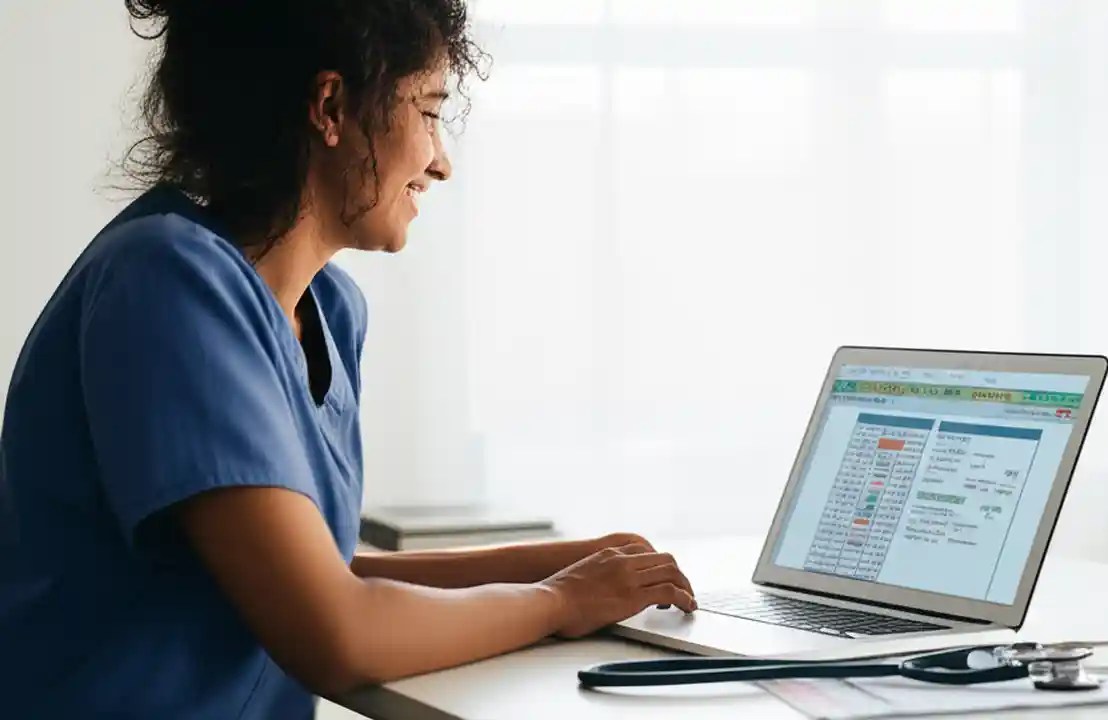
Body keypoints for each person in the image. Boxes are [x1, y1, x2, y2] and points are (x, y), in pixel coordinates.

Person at [0, 1, 696, 717]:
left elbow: (312, 573)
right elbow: (335, 630)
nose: (442, 161)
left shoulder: (328, 309)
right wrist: (560, 599)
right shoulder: (167, 281)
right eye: (429, 112)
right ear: (330, 106)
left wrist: (562, 562)